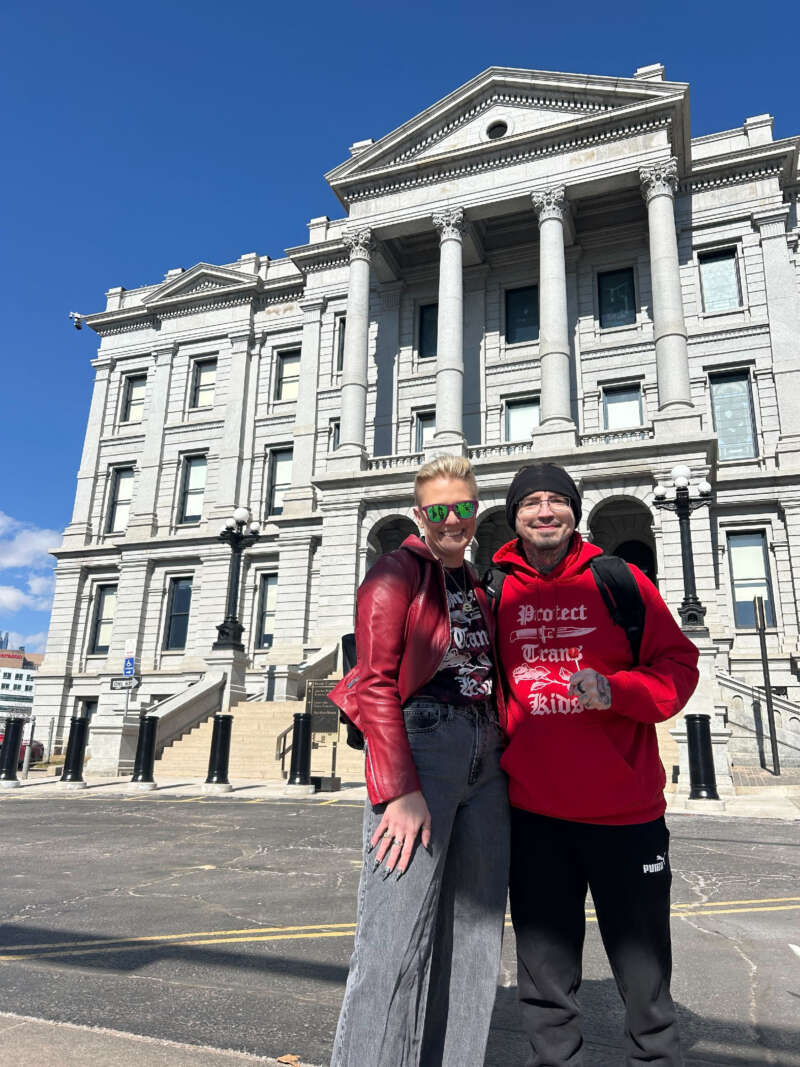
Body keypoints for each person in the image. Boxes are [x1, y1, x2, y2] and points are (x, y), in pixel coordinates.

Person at [491, 462, 699, 1067]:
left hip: (625, 812)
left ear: (575, 512)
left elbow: (677, 667)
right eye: (531, 502)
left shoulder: (620, 580)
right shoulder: (495, 589)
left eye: (558, 500)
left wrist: (619, 690)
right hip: (534, 813)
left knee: (644, 975)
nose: (545, 511)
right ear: (515, 517)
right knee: (545, 978)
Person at [328, 455, 509, 1067]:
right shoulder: (393, 572)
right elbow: (375, 681)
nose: (452, 520)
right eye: (439, 510)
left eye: (463, 507)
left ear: (477, 511)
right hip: (423, 747)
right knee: (393, 938)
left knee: (477, 938)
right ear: (419, 515)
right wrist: (397, 789)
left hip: (488, 755)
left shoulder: (481, 585)